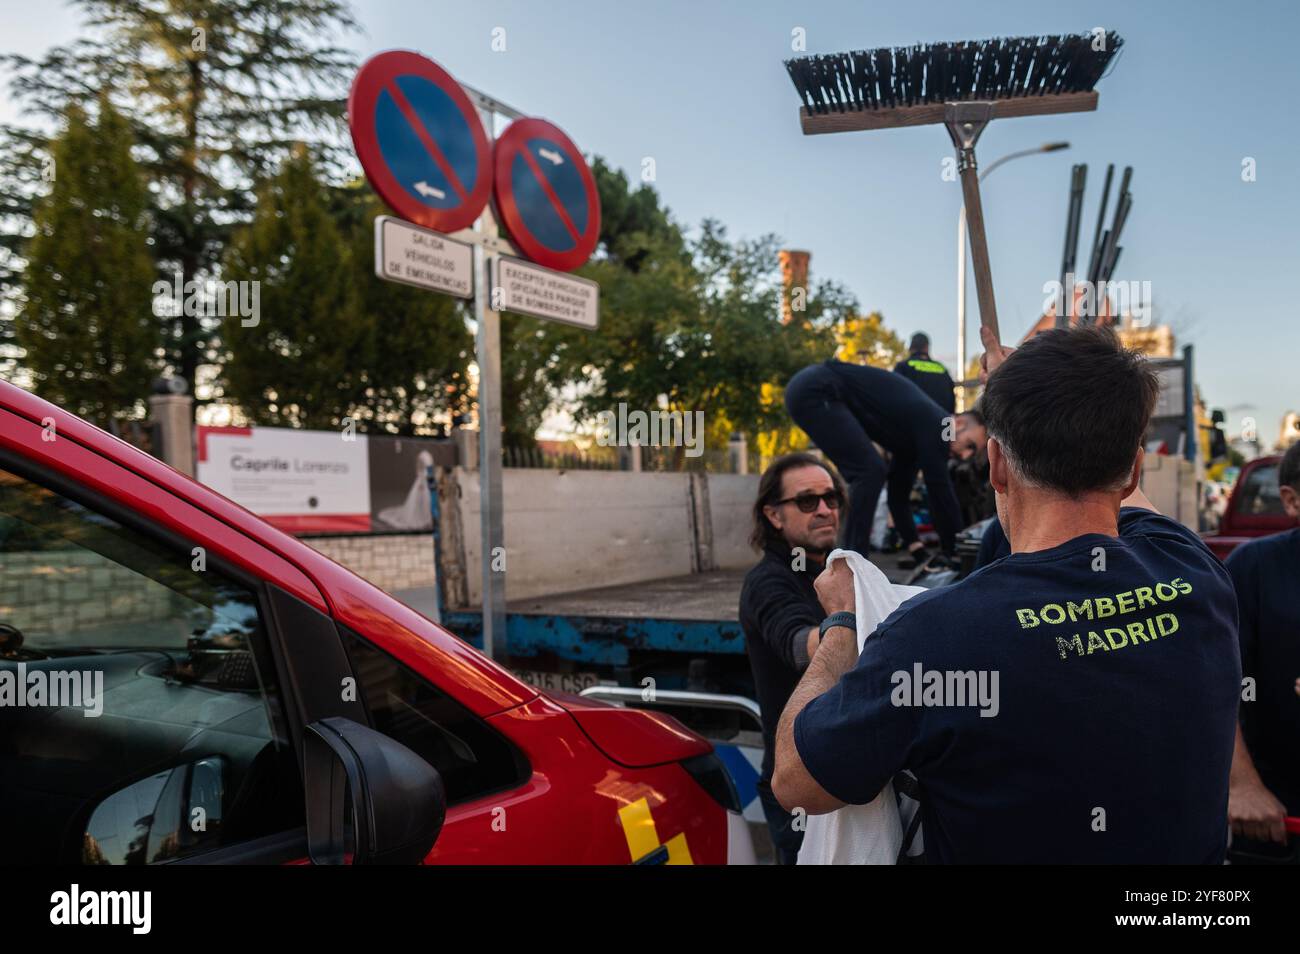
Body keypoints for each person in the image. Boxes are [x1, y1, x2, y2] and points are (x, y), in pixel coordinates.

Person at [772, 325, 1241, 863]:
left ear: (994, 465)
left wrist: (841, 625)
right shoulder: (1195, 571)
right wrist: (1042, 387)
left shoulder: (933, 639)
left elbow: (794, 781)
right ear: (1135, 468)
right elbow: (1133, 499)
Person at [739, 452, 845, 864]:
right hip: (798, 784)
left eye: (830, 498)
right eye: (806, 501)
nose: (823, 509)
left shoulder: (840, 568)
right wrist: (849, 617)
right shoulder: (767, 582)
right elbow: (799, 645)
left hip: (849, 769)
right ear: (774, 515)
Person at [784, 360, 979, 566]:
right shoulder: (942, 424)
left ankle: (853, 560)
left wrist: (917, 549)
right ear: (959, 422)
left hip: (814, 390)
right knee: (869, 471)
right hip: (818, 388)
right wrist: (959, 552)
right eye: (970, 445)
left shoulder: (913, 441)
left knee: (872, 470)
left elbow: (898, 497)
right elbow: (940, 491)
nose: (966, 456)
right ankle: (853, 564)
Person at [1225, 441, 1300, 848]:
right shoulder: (1253, 568)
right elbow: (1212, 683)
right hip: (1277, 815)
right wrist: (1242, 785)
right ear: (1291, 500)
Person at [894, 332, 957, 415]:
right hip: (942, 423)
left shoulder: (903, 366)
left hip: (912, 423)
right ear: (927, 347)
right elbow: (951, 400)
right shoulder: (942, 368)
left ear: (911, 347)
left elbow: (894, 397)